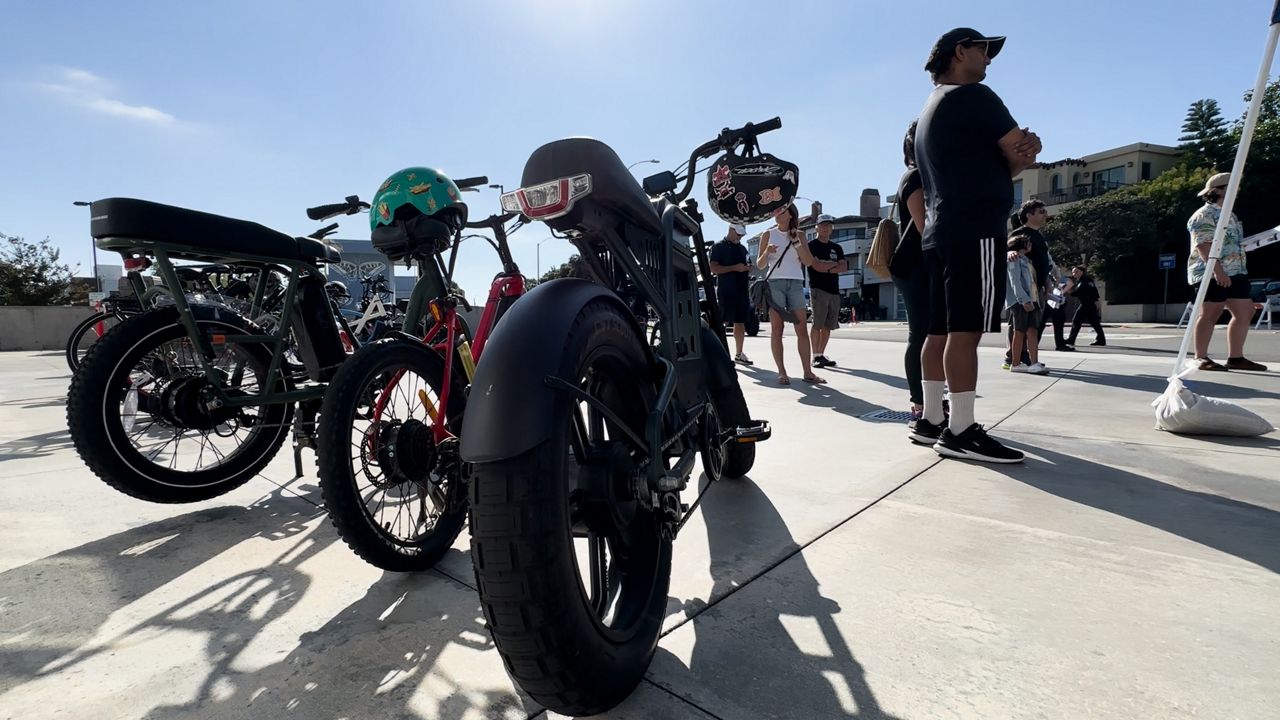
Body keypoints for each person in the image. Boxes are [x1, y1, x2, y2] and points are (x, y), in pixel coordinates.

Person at [914, 26, 1041, 463]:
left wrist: (1013, 159)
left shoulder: (932, 108)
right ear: (960, 51)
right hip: (975, 229)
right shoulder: (976, 98)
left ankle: (931, 418)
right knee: (965, 330)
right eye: (984, 50)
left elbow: (983, 172)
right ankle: (961, 429)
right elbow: (1016, 152)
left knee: (938, 330)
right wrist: (1024, 153)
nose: (989, 59)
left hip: (940, 232)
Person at [1186, 172, 1268, 371]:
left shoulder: (1230, 215)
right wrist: (1217, 272)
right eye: (1233, 186)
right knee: (1210, 313)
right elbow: (1203, 246)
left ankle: (1236, 357)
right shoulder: (1204, 215)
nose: (1237, 190)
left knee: (1245, 311)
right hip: (1211, 271)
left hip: (1236, 271)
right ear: (1218, 190)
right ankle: (1201, 357)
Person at [888, 120, 935, 433]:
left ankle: (930, 397)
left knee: (931, 332)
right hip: (914, 264)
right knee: (920, 333)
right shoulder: (915, 176)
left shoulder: (927, 175)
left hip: (922, 264)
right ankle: (920, 401)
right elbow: (923, 225)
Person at [756, 203, 825, 385]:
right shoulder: (768, 234)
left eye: (782, 211)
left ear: (790, 214)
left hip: (795, 283)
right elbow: (760, 265)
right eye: (776, 211)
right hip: (774, 283)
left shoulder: (800, 235)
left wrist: (797, 244)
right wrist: (766, 252)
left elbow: (809, 262)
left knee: (801, 328)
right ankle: (782, 372)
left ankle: (807, 372)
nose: (777, 214)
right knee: (777, 329)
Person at [709, 223, 755, 365]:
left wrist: (748, 268)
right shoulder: (718, 247)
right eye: (738, 233)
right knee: (722, 320)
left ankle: (739, 353)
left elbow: (747, 265)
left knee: (740, 321)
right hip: (726, 289)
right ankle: (718, 354)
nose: (739, 237)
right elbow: (713, 268)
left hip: (742, 289)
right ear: (730, 229)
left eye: (742, 234)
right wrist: (735, 268)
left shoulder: (742, 248)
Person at [1005, 234, 1049, 375]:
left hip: (1032, 299)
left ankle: (1034, 362)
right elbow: (1015, 281)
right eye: (1028, 243)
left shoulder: (1026, 261)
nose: (1030, 245)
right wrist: (1024, 300)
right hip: (1020, 301)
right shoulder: (1014, 259)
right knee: (1019, 332)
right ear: (1022, 245)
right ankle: (1016, 363)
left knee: (1032, 331)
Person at [807, 214, 847, 368]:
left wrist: (827, 266)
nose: (826, 228)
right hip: (818, 288)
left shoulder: (837, 248)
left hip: (834, 290)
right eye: (823, 225)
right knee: (817, 323)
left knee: (828, 325)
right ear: (816, 227)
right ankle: (815, 355)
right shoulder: (811, 246)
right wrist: (833, 265)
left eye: (829, 225)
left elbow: (844, 267)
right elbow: (816, 266)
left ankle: (821, 354)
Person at [1064, 265, 1106, 347]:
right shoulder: (1079, 281)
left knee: (1076, 321)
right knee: (1095, 323)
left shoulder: (1086, 280)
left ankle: (1071, 339)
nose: (1074, 273)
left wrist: (1096, 301)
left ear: (1082, 272)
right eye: (1073, 272)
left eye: (1076, 271)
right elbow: (1076, 293)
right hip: (1086, 304)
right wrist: (1068, 290)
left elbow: (1093, 291)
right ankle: (1101, 339)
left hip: (1087, 304)